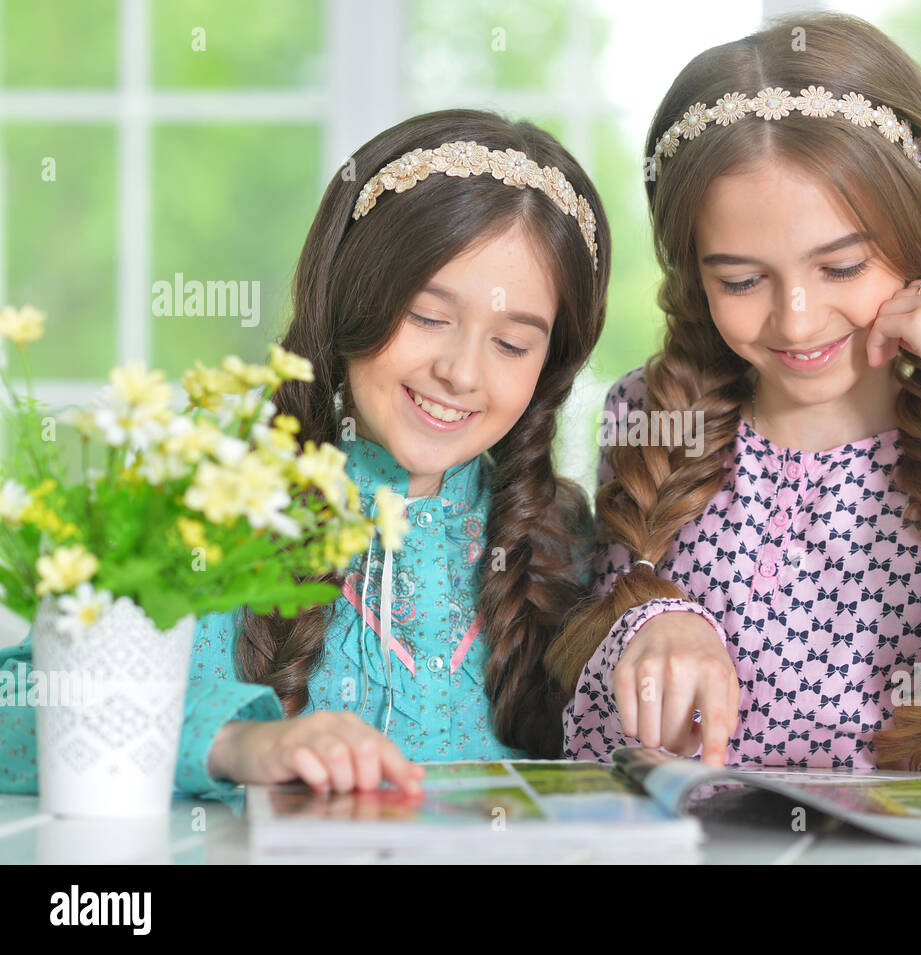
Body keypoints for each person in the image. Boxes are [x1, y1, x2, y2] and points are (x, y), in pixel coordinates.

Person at [546, 12, 921, 776]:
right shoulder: (657, 420)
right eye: (742, 280)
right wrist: (649, 625)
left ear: (919, 234)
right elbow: (591, 755)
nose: (796, 317)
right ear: (693, 273)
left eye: (842, 268)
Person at [0, 109, 610, 797]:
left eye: (511, 343)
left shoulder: (564, 538)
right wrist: (238, 739)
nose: (462, 374)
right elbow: (17, 705)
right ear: (351, 294)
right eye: (429, 316)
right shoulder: (203, 499)